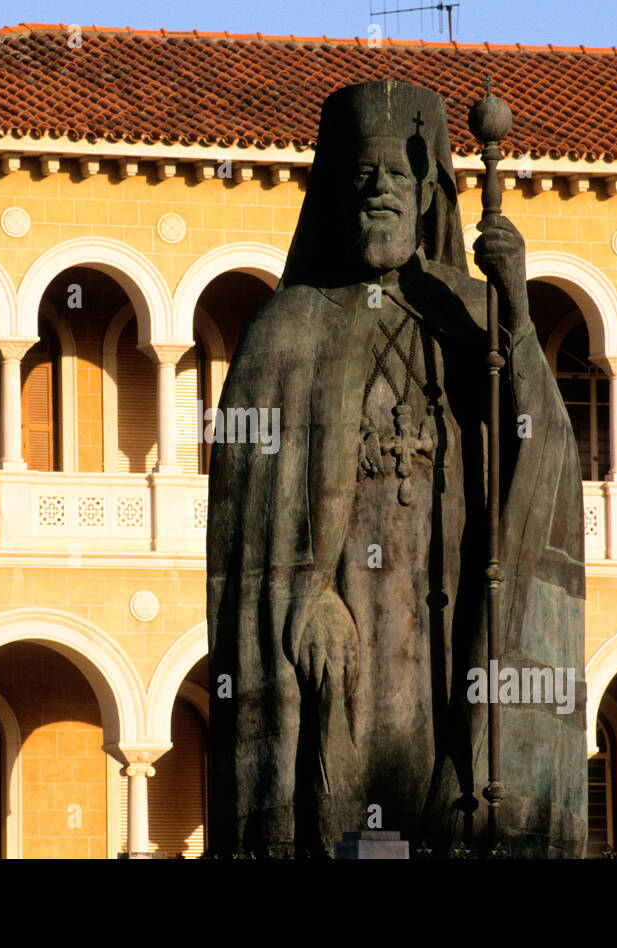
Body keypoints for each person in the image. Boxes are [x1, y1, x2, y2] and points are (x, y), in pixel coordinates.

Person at [207, 80, 586, 858]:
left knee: (445, 806)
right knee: (341, 819)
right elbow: (246, 527)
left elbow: (543, 453)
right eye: (361, 175)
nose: (379, 188)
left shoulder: (472, 315)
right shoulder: (283, 331)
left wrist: (515, 313)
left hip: (446, 625)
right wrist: (300, 602)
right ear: (336, 196)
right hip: (337, 628)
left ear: (427, 197)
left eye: (397, 175)